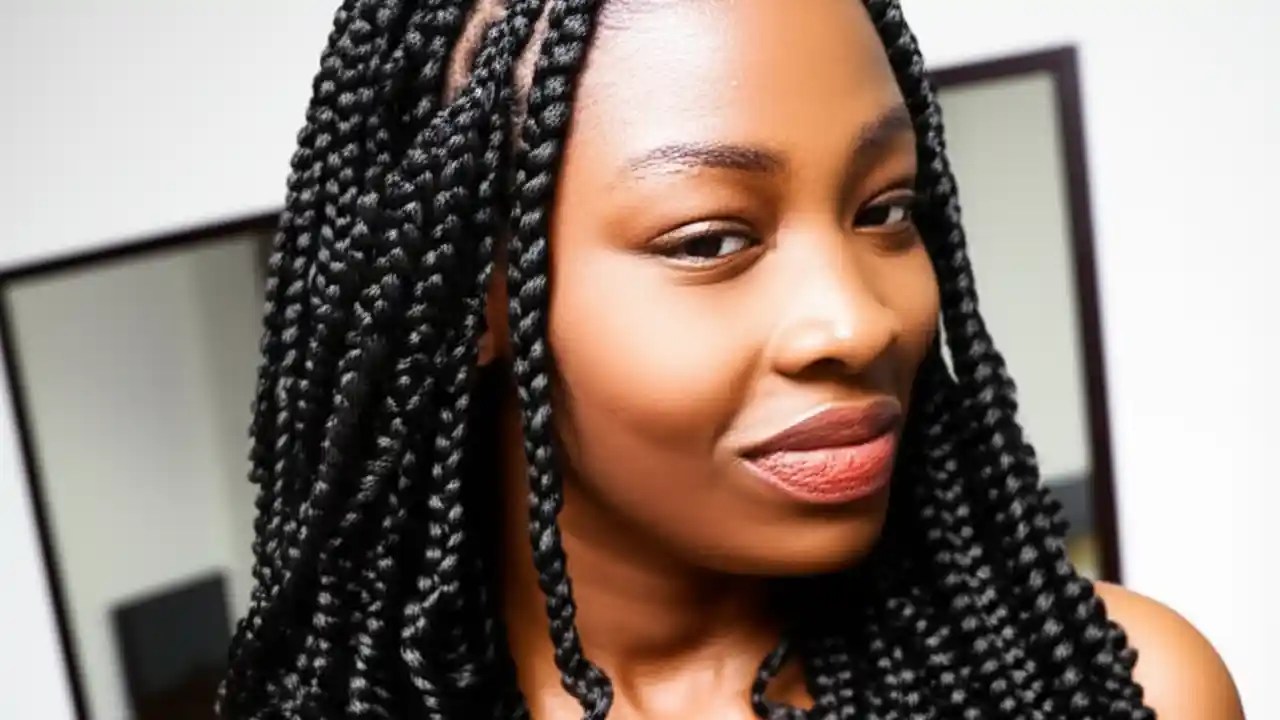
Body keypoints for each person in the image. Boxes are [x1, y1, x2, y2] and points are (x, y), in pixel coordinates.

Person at [217, 0, 1244, 718]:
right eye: (709, 239)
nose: (855, 324)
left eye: (884, 210)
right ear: (467, 298)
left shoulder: (1124, 689)